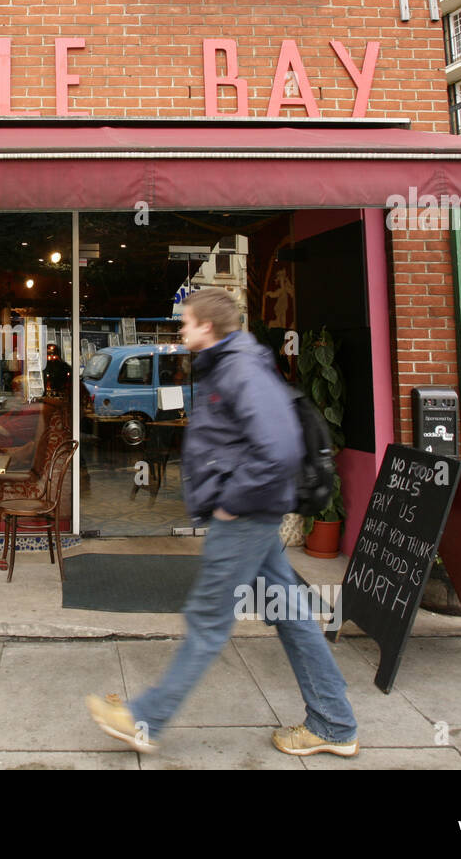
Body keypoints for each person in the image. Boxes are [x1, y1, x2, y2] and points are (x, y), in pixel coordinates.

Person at [85, 287, 359, 758]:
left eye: (186, 323)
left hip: (246, 516)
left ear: (207, 327)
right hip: (255, 513)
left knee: (209, 620)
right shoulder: (229, 363)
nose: (181, 331)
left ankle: (143, 720)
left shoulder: (239, 367)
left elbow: (279, 447)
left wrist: (232, 501)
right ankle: (334, 723)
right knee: (291, 613)